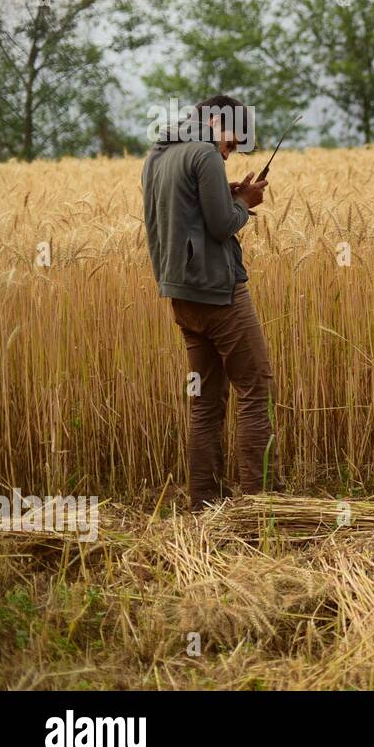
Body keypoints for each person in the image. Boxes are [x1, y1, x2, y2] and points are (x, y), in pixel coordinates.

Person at [141, 95, 281, 510]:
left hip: (181, 293)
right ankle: (259, 507)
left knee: (205, 401)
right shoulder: (204, 153)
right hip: (220, 293)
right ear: (219, 120)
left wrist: (227, 191)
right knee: (257, 390)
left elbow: (179, 212)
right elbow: (222, 225)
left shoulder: (159, 153)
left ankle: (204, 503)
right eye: (233, 142)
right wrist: (244, 202)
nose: (230, 151)